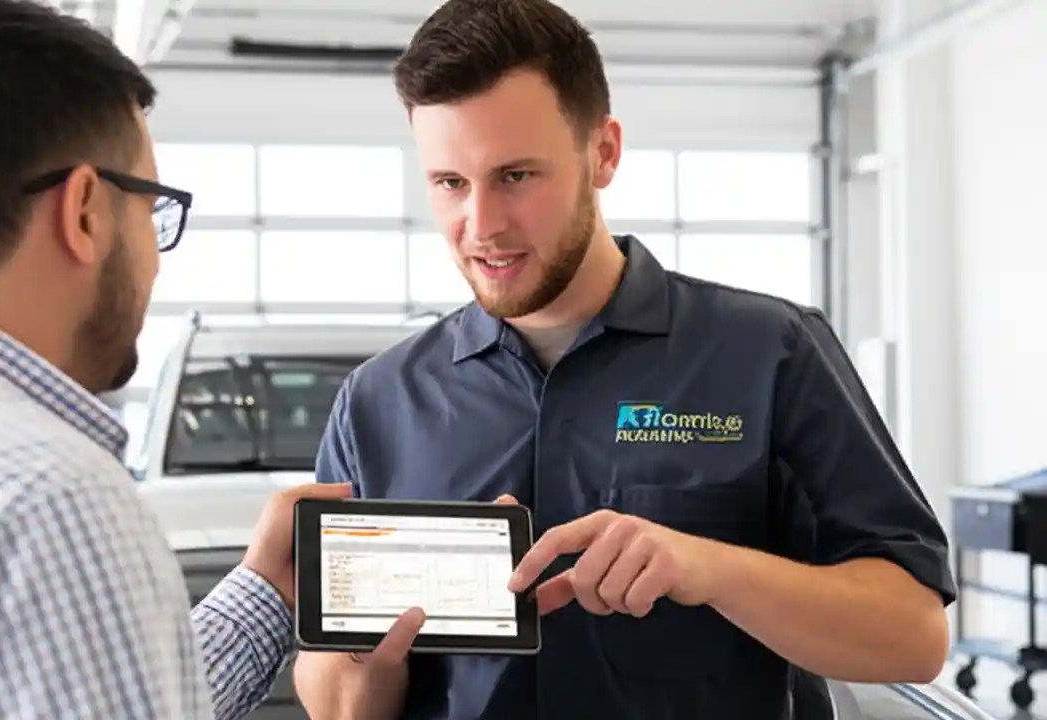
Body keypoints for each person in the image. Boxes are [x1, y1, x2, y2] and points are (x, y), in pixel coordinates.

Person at [293, 1, 956, 718]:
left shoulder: (770, 354)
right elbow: (334, 691)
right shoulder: (379, 401)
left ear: (603, 152)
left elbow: (913, 636)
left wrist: (709, 567)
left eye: (516, 176)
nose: (481, 226)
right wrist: (362, 668)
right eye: (450, 183)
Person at [0, 1, 422, 718]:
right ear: (84, 210)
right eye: (151, 210)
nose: (155, 262)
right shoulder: (53, 501)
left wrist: (264, 590)